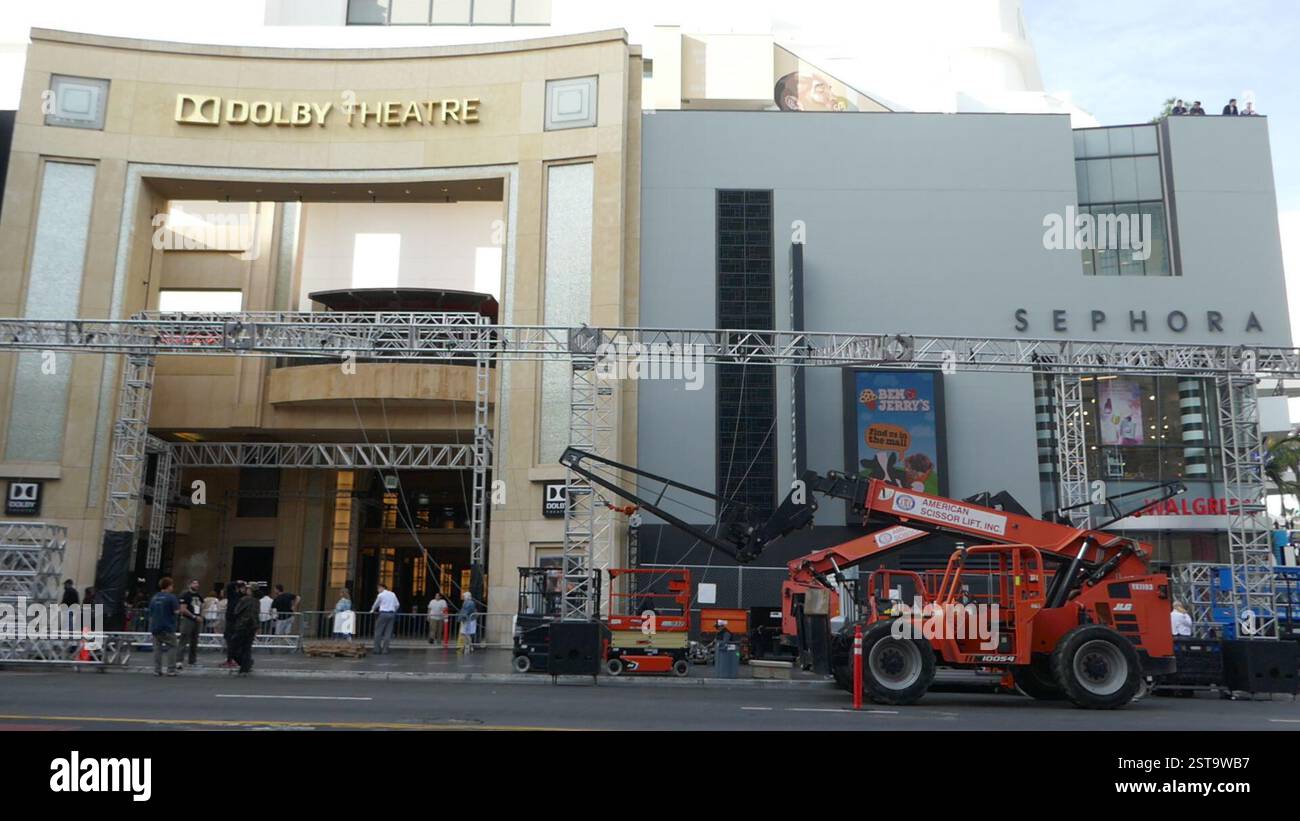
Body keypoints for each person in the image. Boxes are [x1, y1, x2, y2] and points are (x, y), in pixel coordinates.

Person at [148, 577, 181, 677]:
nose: (172, 587)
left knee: (157, 649)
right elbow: (176, 611)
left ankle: (157, 670)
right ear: (169, 586)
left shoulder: (154, 597)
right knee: (172, 646)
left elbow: (151, 613)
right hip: (167, 626)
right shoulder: (171, 597)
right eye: (172, 585)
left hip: (155, 626)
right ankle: (171, 669)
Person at [230, 581, 260, 676]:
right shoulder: (257, 601)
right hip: (252, 627)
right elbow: (256, 615)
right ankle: (245, 667)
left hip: (242, 626)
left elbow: (236, 611)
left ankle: (244, 663)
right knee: (247, 648)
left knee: (233, 647)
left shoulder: (245, 600)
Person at [176, 579, 203, 669]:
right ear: (189, 585)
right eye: (194, 583)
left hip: (197, 619)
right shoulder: (186, 595)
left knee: (194, 641)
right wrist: (194, 617)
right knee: (183, 640)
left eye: (197, 583)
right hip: (188, 619)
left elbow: (201, 606)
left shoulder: (199, 596)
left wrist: (201, 616)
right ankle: (179, 661)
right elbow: (183, 609)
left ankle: (192, 660)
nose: (197, 585)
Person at [371, 583, 400, 654]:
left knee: (378, 631)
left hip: (383, 613)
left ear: (381, 588)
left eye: (378, 589)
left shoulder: (381, 595)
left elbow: (376, 604)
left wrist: (372, 610)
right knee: (388, 632)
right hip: (392, 614)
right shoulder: (393, 594)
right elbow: (397, 604)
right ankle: (385, 649)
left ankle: (377, 649)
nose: (378, 590)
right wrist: (394, 611)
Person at [222, 581, 242, 669]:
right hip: (231, 620)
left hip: (234, 620)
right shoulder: (233, 595)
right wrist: (237, 582)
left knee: (231, 641)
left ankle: (231, 659)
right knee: (229, 640)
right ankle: (230, 659)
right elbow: (229, 586)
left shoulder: (239, 596)